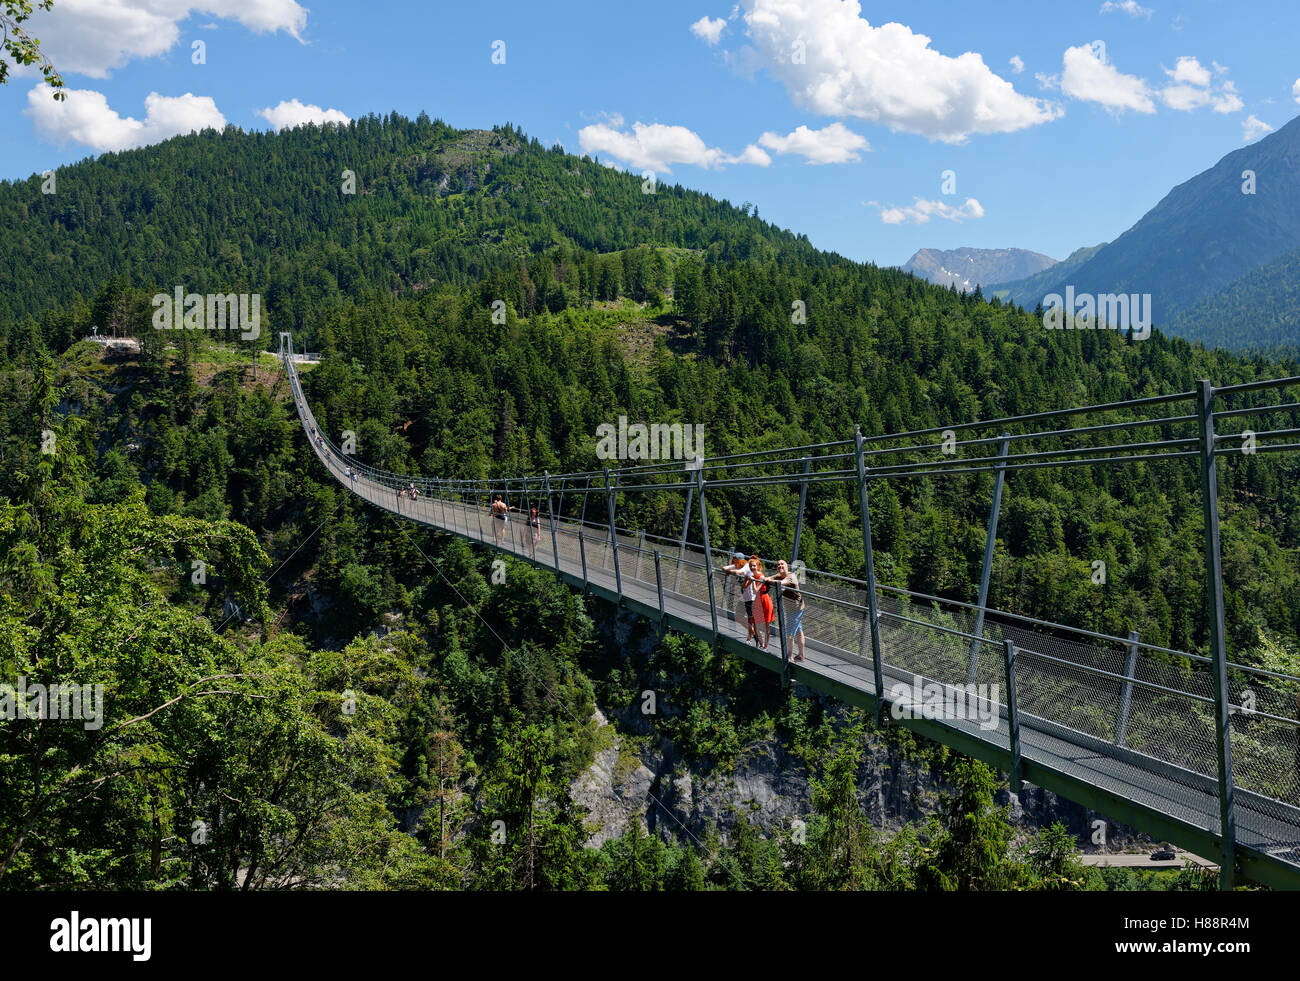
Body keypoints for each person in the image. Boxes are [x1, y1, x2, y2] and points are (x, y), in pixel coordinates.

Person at [763, 559, 806, 662]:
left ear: (788, 567)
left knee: (789, 634)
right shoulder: (779, 575)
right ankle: (801, 655)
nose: (780, 566)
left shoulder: (791, 577)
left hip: (795, 609)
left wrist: (769, 580)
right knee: (799, 631)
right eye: (778, 565)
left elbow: (781, 583)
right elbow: (767, 578)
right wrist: (766, 579)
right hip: (792, 608)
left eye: (782, 564)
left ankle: (789, 657)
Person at [720, 552, 756, 643]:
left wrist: (730, 571)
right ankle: (753, 633)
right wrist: (728, 569)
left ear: (741, 561)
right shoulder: (736, 566)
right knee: (738, 616)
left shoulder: (747, 566)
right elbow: (724, 568)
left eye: (735, 561)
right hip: (744, 595)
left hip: (751, 597)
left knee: (750, 618)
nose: (733, 563)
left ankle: (751, 637)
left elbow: (740, 572)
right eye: (733, 561)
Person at [752, 557, 774, 650]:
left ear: (758, 566)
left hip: (765, 601)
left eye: (754, 566)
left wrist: (752, 580)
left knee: (766, 624)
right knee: (756, 624)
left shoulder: (761, 576)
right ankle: (761, 644)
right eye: (751, 566)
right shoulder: (752, 575)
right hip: (757, 601)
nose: (752, 567)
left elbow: (756, 590)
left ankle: (766, 645)